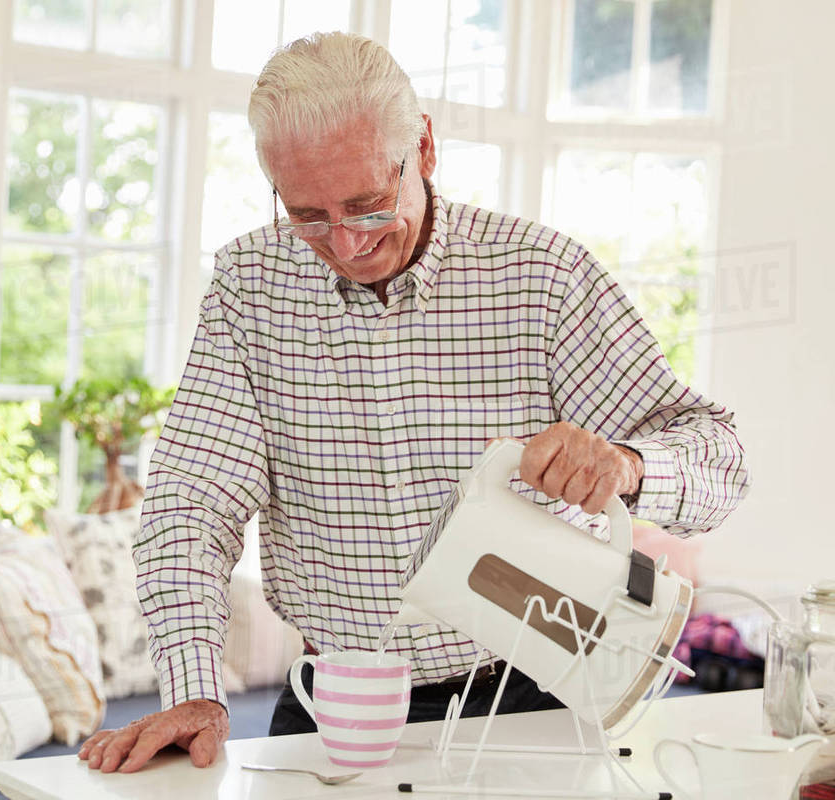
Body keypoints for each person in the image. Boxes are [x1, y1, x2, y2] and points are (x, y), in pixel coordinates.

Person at [78, 31, 750, 774]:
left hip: (530, 699)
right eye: (307, 215)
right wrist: (195, 692)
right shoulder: (250, 287)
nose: (345, 244)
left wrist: (626, 465)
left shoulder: (543, 278)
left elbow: (720, 459)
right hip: (334, 703)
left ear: (424, 148)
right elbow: (190, 507)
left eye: (367, 206)